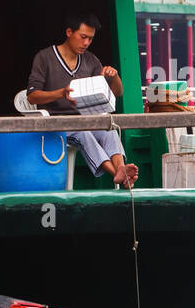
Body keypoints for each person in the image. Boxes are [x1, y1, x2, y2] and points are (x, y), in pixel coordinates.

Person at [27, 13, 138, 188]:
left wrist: (114, 76)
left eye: (90, 39)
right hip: (55, 124)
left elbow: (116, 93)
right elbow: (32, 96)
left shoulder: (91, 60)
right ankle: (117, 173)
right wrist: (60, 93)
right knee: (83, 133)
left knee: (109, 130)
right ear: (69, 32)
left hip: (87, 119)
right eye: (83, 37)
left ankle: (120, 169)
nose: (86, 43)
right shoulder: (45, 57)